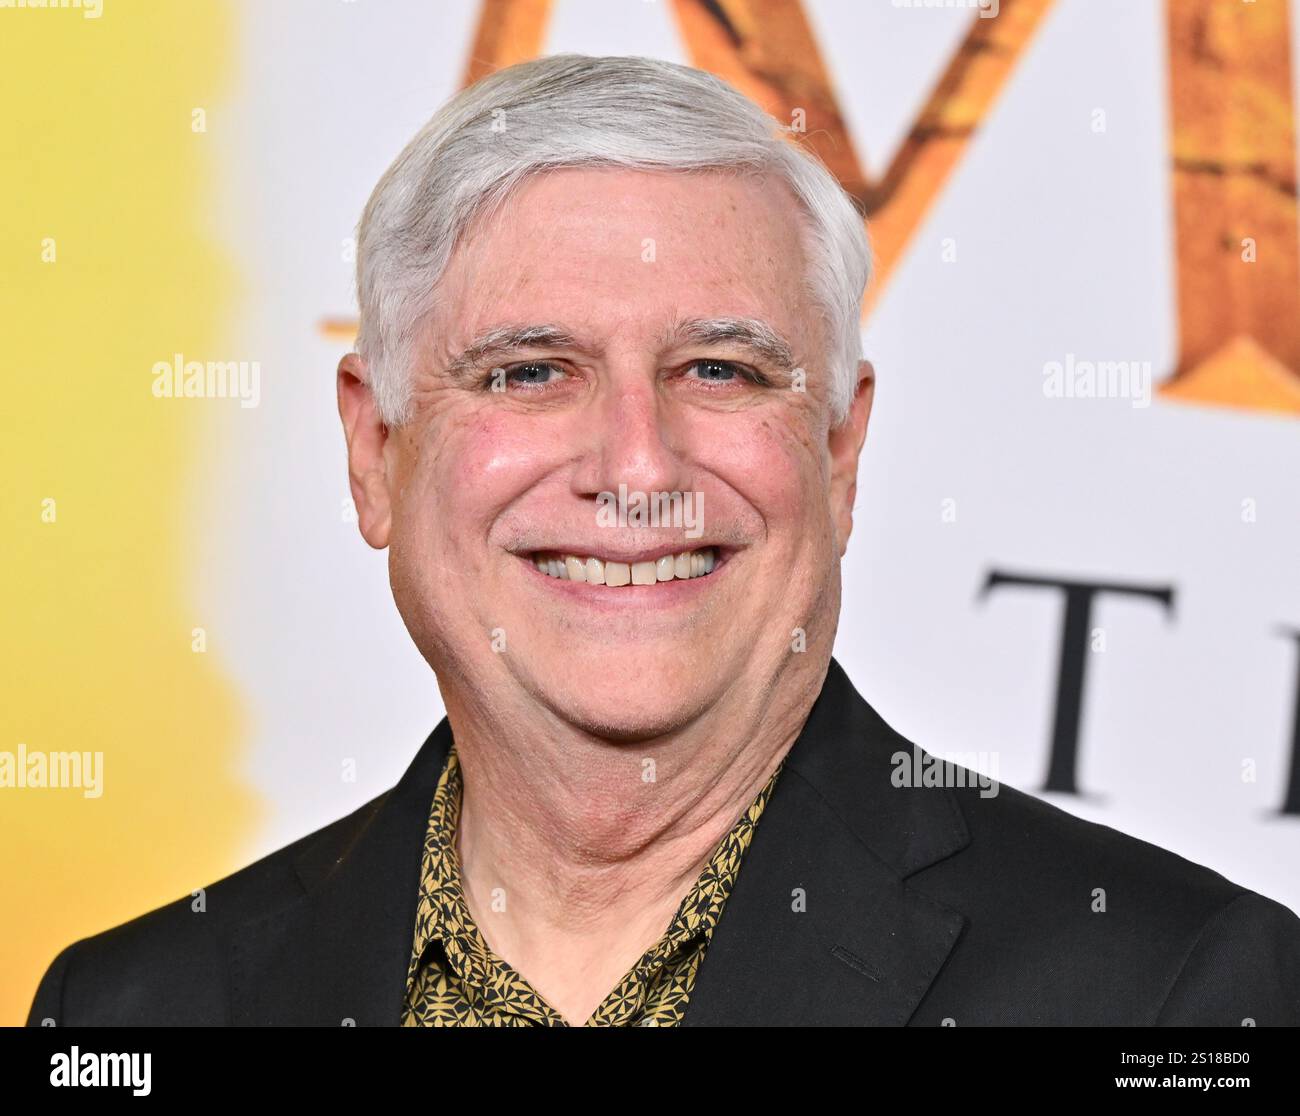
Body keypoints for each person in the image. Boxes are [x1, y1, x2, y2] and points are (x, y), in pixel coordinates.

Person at [28, 53, 1300, 1027]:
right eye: (531, 372)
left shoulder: (1178, 991)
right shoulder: (138, 1007)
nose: (637, 467)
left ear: (840, 453)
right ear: (374, 452)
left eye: (719, 370)